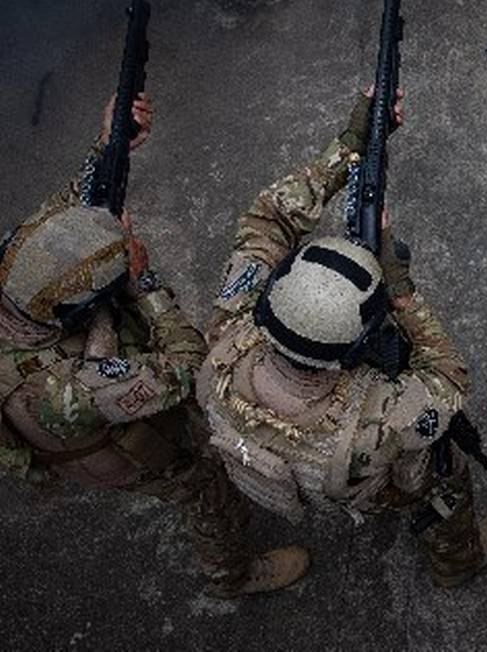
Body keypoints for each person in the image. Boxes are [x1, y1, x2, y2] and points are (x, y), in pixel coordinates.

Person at [197, 87, 487, 589]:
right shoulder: (381, 419)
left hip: (267, 454)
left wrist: (352, 144)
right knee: (444, 471)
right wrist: (400, 288)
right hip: (363, 481)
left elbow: (269, 217)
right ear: (357, 350)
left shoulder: (227, 335)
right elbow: (448, 378)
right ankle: (456, 560)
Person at [0, 93, 307, 598]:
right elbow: (187, 366)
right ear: (73, 313)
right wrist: (142, 283)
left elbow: (62, 224)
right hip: (122, 442)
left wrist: (110, 145)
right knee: (204, 489)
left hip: (87, 397)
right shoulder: (66, 389)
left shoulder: (19, 278)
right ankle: (231, 575)